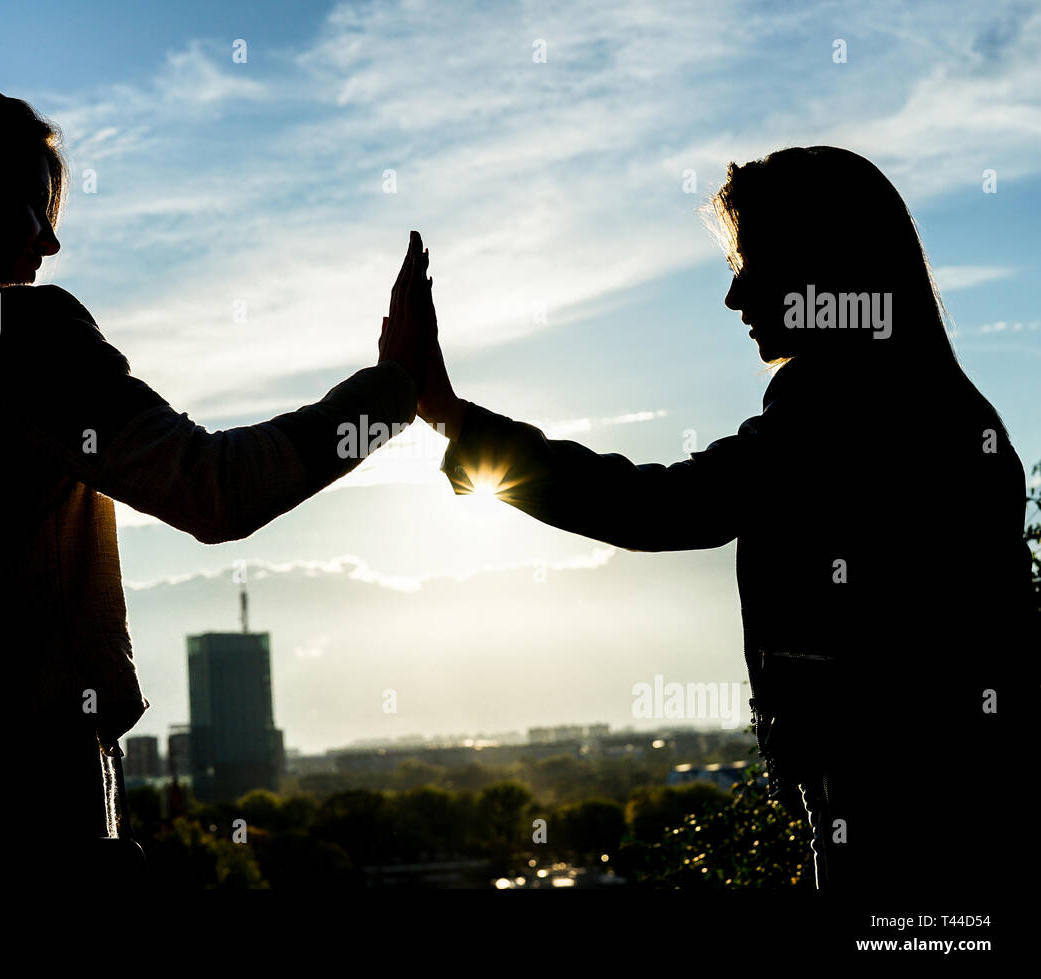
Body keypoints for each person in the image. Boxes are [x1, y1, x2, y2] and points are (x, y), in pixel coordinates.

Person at [0, 85, 436, 890]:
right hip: (32, 847)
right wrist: (395, 388)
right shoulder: (18, 342)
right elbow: (217, 489)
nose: (50, 241)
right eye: (31, 210)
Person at [416, 146, 1036, 897]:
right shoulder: (937, 407)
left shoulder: (840, 413)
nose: (734, 296)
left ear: (823, 270)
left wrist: (456, 422)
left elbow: (661, 505)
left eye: (751, 263)